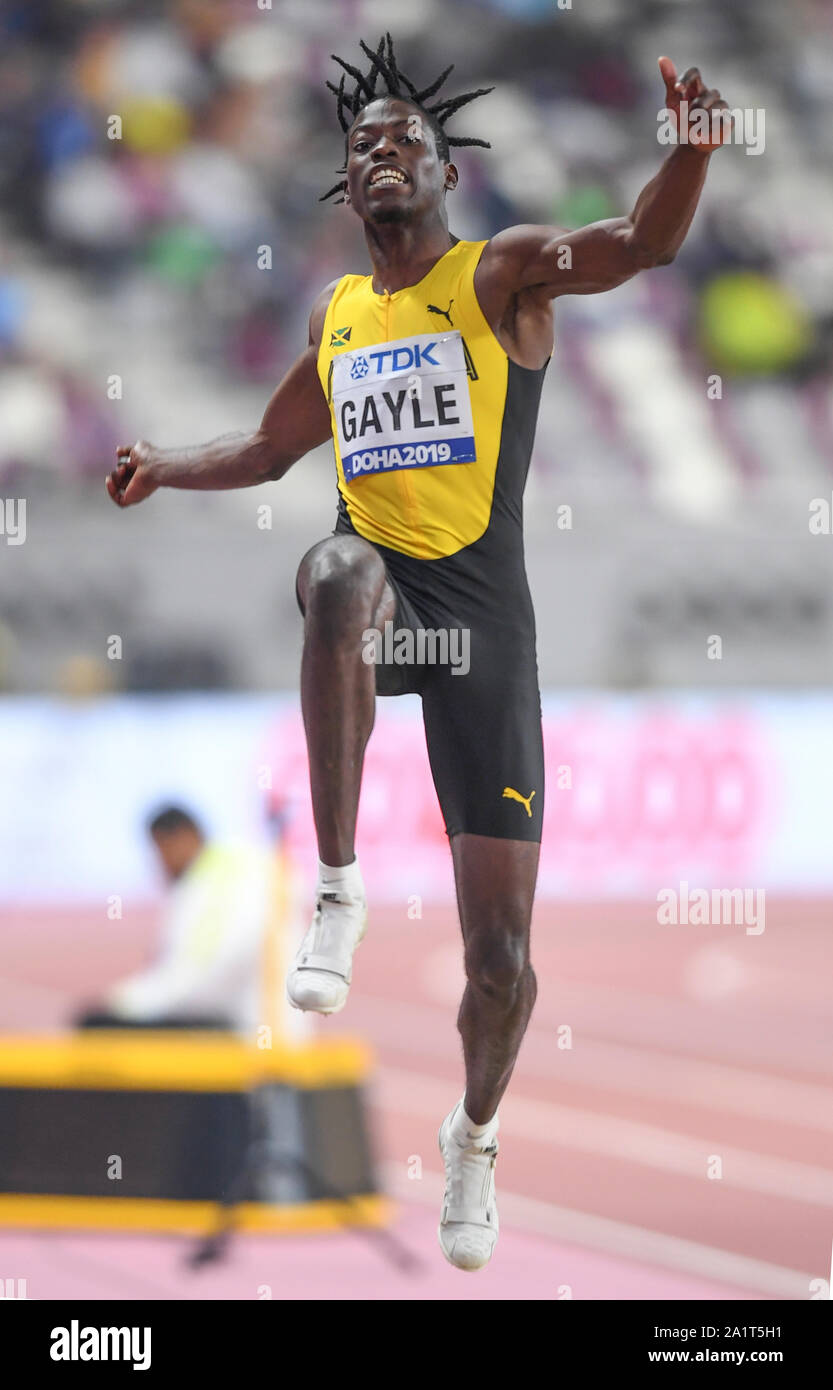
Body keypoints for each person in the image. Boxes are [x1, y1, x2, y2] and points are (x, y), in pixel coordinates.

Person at [106, 34, 730, 1269]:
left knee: (501, 963)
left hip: (480, 635)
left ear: (445, 173)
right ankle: (338, 891)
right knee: (334, 568)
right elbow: (273, 449)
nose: (378, 152)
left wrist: (688, 152)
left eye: (402, 140)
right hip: (382, 609)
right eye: (359, 145)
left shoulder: (499, 278)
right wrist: (163, 463)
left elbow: (642, 244)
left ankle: (475, 1135)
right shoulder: (340, 315)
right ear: (347, 188)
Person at [77, 805, 305, 1043]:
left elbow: (194, 977)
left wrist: (121, 1001)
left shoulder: (220, 881)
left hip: (246, 1032)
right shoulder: (239, 869)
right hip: (257, 1026)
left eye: (161, 851)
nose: (160, 864)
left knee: (98, 1025)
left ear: (184, 837)